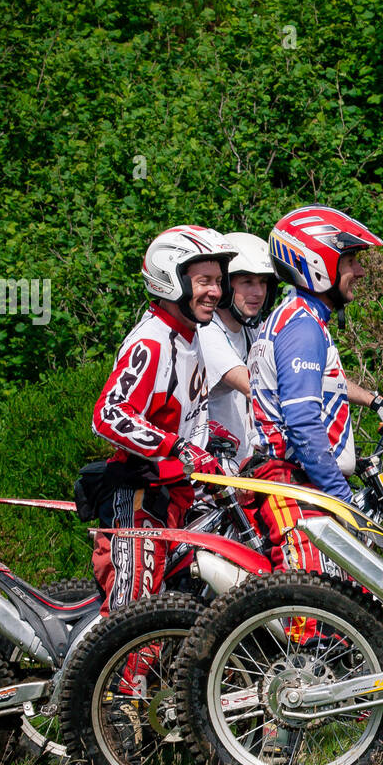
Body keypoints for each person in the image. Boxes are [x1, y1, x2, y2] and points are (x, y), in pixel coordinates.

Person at [248, 205, 383, 574]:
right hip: (292, 484)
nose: (359, 271)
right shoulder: (301, 327)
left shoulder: (300, 317)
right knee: (317, 620)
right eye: (350, 260)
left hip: (298, 481)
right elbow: (303, 424)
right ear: (318, 260)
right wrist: (341, 499)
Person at [90, 225, 236, 615]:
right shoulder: (151, 341)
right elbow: (108, 415)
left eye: (219, 281)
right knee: (135, 617)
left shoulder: (191, 337)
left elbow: (182, 412)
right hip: (139, 496)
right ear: (170, 279)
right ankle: (113, 678)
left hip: (177, 495)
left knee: (178, 606)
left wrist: (211, 438)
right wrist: (177, 446)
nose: (216, 292)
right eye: (204, 281)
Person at [196, 231, 276, 472]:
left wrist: (373, 399)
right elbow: (255, 387)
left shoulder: (251, 329)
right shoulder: (207, 332)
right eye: (248, 282)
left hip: (245, 466)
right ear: (227, 286)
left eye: (263, 282)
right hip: (213, 476)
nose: (259, 292)